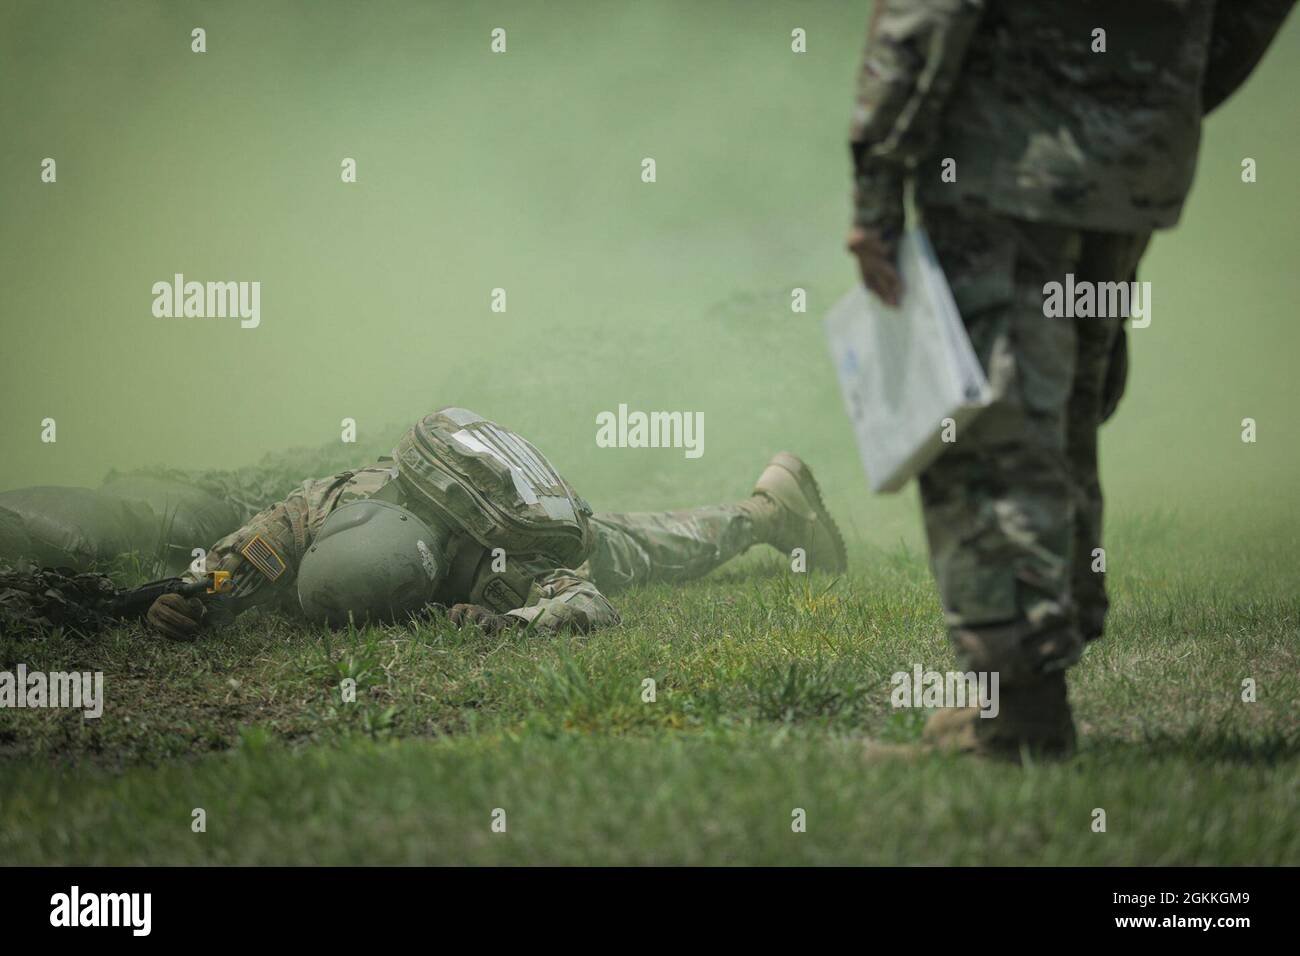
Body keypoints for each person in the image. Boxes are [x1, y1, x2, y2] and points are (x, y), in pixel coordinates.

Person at [846, 0, 1294, 759]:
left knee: (996, 436)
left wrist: (876, 174)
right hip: (1131, 165)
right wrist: (1149, 101)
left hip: (1007, 154)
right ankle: (1024, 685)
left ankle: (1020, 718)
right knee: (1063, 416)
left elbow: (928, 12)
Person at [146, 407, 846, 640]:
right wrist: (197, 597)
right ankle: (769, 506)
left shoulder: (499, 561)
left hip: (578, 534)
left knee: (658, 546)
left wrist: (510, 623)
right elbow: (254, 549)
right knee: (653, 535)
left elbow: (588, 603)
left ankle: (768, 510)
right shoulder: (328, 503)